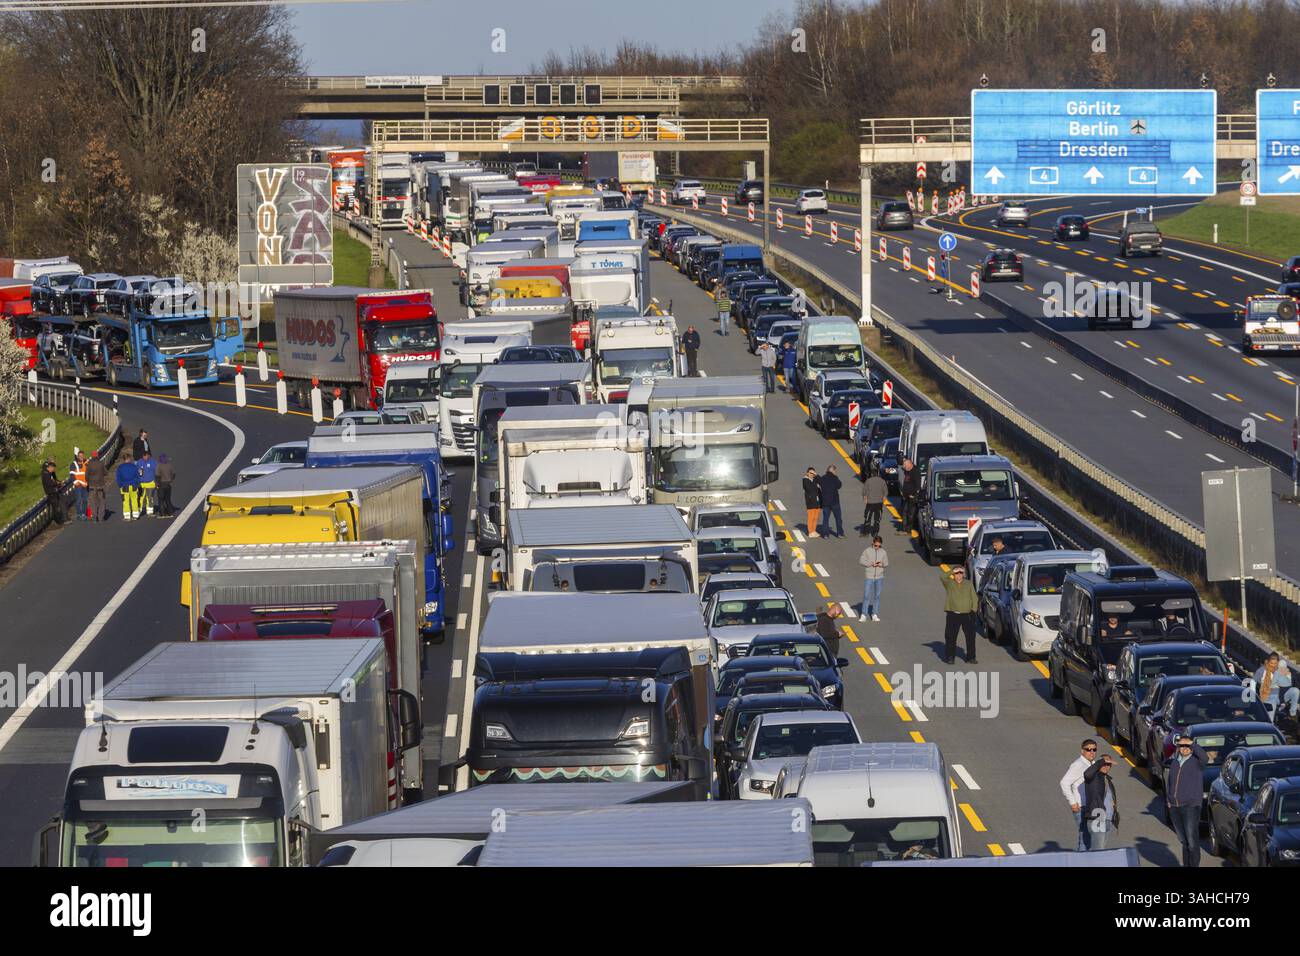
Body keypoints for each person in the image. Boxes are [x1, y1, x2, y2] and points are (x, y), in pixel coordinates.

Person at [1167, 734, 1209, 867]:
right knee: (1183, 841)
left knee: (1192, 842)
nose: (1184, 748)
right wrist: (1169, 799)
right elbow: (1170, 782)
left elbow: (1205, 757)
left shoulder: (1197, 762)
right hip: (1174, 806)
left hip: (1191, 806)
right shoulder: (1175, 762)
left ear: (1191, 748)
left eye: (1187, 746)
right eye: (1181, 746)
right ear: (1178, 747)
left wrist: (1192, 743)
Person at [1059, 740, 1099, 852]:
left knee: (1089, 837)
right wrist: (1072, 802)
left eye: (1094, 749)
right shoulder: (1078, 765)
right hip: (1081, 806)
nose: (1091, 752)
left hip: (1090, 806)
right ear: (1082, 751)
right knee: (1085, 838)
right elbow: (1064, 783)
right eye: (1088, 749)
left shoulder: (1092, 764)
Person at [940, 566, 978, 665]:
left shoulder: (968, 584)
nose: (959, 575)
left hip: (968, 615)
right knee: (950, 637)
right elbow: (942, 577)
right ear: (954, 574)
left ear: (963, 574)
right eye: (957, 573)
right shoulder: (949, 584)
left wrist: (973, 610)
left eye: (961, 572)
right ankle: (950, 657)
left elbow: (974, 598)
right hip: (953, 614)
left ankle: (971, 657)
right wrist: (952, 571)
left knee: (970, 637)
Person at [1082, 755, 1119, 850]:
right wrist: (1100, 762)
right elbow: (1087, 773)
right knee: (1098, 852)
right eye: (1104, 764)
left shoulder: (1107, 779)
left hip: (1108, 820)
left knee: (1099, 850)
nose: (1106, 766)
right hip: (1097, 818)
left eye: (1109, 764)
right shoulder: (1093, 777)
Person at [1255, 653, 1300, 722]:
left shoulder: (1288, 675)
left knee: (1295, 691)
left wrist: (1286, 703)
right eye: (1271, 663)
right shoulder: (1263, 673)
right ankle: (1270, 724)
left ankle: (1292, 716)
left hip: (1282, 700)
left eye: (1275, 663)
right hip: (1270, 699)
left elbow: (1294, 688)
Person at [858, 536, 888, 621]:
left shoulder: (883, 552)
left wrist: (881, 564)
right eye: (876, 545)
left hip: (879, 577)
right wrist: (871, 564)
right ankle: (864, 614)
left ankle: (874, 614)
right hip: (869, 576)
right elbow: (861, 561)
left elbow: (886, 563)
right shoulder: (867, 551)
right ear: (873, 543)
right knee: (866, 595)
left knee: (877, 596)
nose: (877, 547)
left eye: (879, 546)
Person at [862, 466, 888, 537]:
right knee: (877, 518)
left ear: (871, 474)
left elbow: (864, 491)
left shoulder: (868, 481)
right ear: (878, 474)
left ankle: (866, 532)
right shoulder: (882, 481)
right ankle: (875, 532)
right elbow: (885, 491)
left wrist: (865, 498)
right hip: (879, 503)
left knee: (868, 517)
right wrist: (884, 498)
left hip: (870, 503)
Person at [819, 465, 843, 537]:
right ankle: (840, 533)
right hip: (834, 501)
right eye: (835, 471)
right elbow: (839, 485)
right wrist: (836, 477)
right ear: (832, 470)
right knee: (838, 518)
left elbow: (820, 487)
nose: (836, 472)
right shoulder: (835, 478)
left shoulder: (822, 478)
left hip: (825, 502)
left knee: (825, 519)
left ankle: (825, 534)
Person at [115, 452, 140, 520]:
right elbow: (138, 476)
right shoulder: (134, 466)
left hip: (124, 486)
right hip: (134, 486)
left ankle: (127, 516)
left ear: (124, 459)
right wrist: (137, 484)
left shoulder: (120, 468)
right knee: (134, 500)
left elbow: (118, 478)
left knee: (125, 501)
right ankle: (135, 515)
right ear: (129, 458)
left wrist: (120, 486)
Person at [85, 449, 107, 523]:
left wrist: (89, 482)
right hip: (100, 485)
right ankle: (101, 517)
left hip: (92, 486)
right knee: (101, 501)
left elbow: (86, 476)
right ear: (97, 455)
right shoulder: (101, 463)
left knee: (93, 502)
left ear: (91, 456)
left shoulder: (89, 464)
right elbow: (105, 472)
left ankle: (94, 517)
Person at [899, 458, 920, 534]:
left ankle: (908, 529)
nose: (904, 467)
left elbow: (918, 486)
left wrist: (914, 495)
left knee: (910, 513)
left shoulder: (915, 472)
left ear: (909, 464)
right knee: (904, 511)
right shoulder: (907, 471)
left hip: (912, 496)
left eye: (905, 466)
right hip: (906, 496)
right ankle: (904, 528)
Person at [41, 459, 65, 525]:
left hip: (53, 492)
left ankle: (58, 520)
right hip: (51, 492)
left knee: (56, 507)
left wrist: (58, 482)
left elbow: (54, 480)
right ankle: (58, 521)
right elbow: (50, 483)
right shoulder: (46, 474)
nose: (54, 470)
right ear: (50, 467)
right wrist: (58, 484)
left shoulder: (49, 473)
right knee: (55, 508)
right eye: (53, 468)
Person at [802, 467, 822, 539]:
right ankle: (810, 532)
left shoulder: (815, 479)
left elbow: (822, 482)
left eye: (813, 473)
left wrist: (817, 475)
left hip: (818, 501)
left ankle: (814, 530)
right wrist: (816, 483)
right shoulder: (805, 480)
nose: (812, 474)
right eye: (810, 473)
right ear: (807, 473)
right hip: (810, 502)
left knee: (816, 517)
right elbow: (809, 488)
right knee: (811, 517)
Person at [69, 451, 89, 522]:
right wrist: (75, 482)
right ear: (77, 456)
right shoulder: (73, 464)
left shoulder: (86, 463)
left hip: (85, 484)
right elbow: (71, 475)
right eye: (80, 456)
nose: (81, 457)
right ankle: (79, 514)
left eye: (82, 456)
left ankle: (83, 514)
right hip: (78, 485)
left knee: (85, 500)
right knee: (78, 499)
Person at [137, 450, 158, 516]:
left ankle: (150, 511)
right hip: (141, 483)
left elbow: (156, 472)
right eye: (143, 456)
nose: (144, 457)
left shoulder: (153, 462)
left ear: (148, 455)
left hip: (150, 483)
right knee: (141, 497)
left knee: (150, 497)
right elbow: (138, 472)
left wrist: (156, 481)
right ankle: (139, 510)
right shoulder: (139, 462)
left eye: (146, 456)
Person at [155, 453, 176, 518]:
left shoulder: (159, 465)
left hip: (161, 485)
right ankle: (170, 513)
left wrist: (157, 485)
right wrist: (171, 480)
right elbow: (173, 474)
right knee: (168, 500)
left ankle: (162, 514)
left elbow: (157, 476)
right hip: (168, 485)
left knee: (161, 500)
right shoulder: (169, 465)